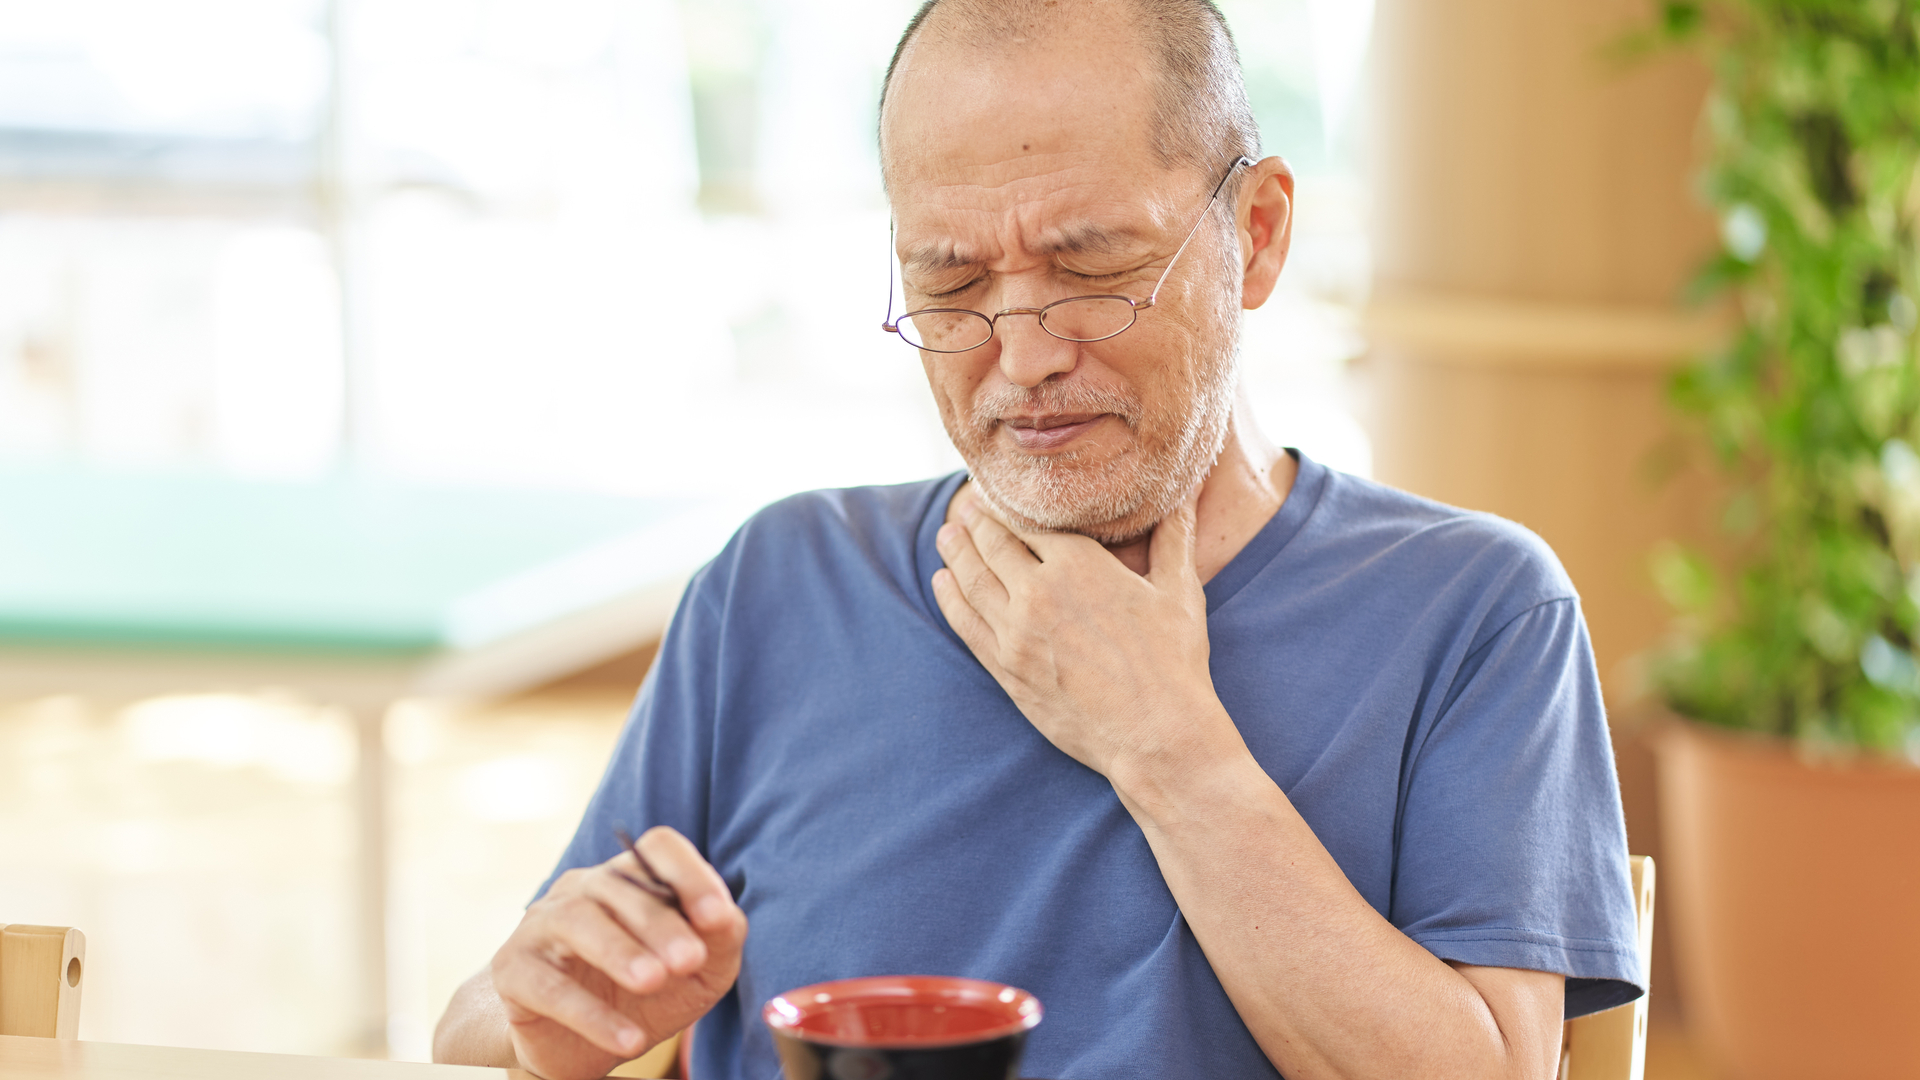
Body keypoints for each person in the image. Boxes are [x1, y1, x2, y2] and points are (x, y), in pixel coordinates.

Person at [433, 1, 1643, 1077]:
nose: (1022, 356)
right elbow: (491, 1012)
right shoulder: (780, 582)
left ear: (1258, 235)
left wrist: (1168, 746)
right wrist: (545, 1016)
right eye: (952, 287)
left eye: (1092, 265)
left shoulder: (1472, 609)